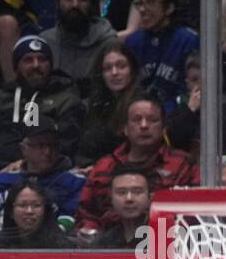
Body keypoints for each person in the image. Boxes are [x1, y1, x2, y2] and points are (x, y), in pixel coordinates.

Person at [76, 94, 199, 233]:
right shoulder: (104, 166)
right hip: (109, 246)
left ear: (164, 127)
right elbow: (86, 214)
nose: (144, 125)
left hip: (167, 244)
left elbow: (196, 214)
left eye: (152, 120)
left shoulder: (183, 165)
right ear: (125, 129)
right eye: (136, 120)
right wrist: (91, 233)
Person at [0, 35, 84, 175]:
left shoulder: (66, 101)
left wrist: (25, 165)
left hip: (43, 175)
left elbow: (65, 147)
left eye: (42, 59)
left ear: (50, 65)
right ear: (16, 67)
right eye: (28, 60)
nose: (36, 65)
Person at [0, 119, 85, 233]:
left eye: (53, 145)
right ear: (23, 148)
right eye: (40, 145)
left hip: (51, 247)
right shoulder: (0, 182)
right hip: (0, 246)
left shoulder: (74, 183)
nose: (48, 152)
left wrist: (53, 236)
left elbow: (70, 217)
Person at [124, 0, 199, 113]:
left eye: (150, 2)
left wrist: (164, 112)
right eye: (140, 3)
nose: (142, 9)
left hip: (177, 117)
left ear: (169, 8)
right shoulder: (132, 42)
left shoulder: (188, 40)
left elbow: (190, 90)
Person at [165, 52, 226, 157]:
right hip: (187, 169)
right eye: (194, 80)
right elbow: (173, 144)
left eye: (206, 79)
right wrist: (190, 110)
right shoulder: (181, 108)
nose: (201, 85)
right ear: (187, 83)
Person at [40, 0, 116, 85]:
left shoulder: (108, 43)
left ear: (92, 5)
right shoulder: (45, 42)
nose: (75, 4)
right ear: (58, 3)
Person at [78, 40, 140, 167]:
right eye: (107, 68)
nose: (114, 73)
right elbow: (85, 149)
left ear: (132, 70)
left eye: (121, 66)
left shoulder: (142, 104)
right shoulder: (96, 104)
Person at [0, 178, 73, 250]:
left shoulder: (63, 247)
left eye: (36, 205)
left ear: (45, 211)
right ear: (10, 212)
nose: (29, 211)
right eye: (22, 205)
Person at [91, 164, 151, 248]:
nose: (129, 198)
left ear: (149, 197)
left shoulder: (164, 238)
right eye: (121, 192)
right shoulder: (106, 240)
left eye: (137, 192)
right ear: (111, 197)